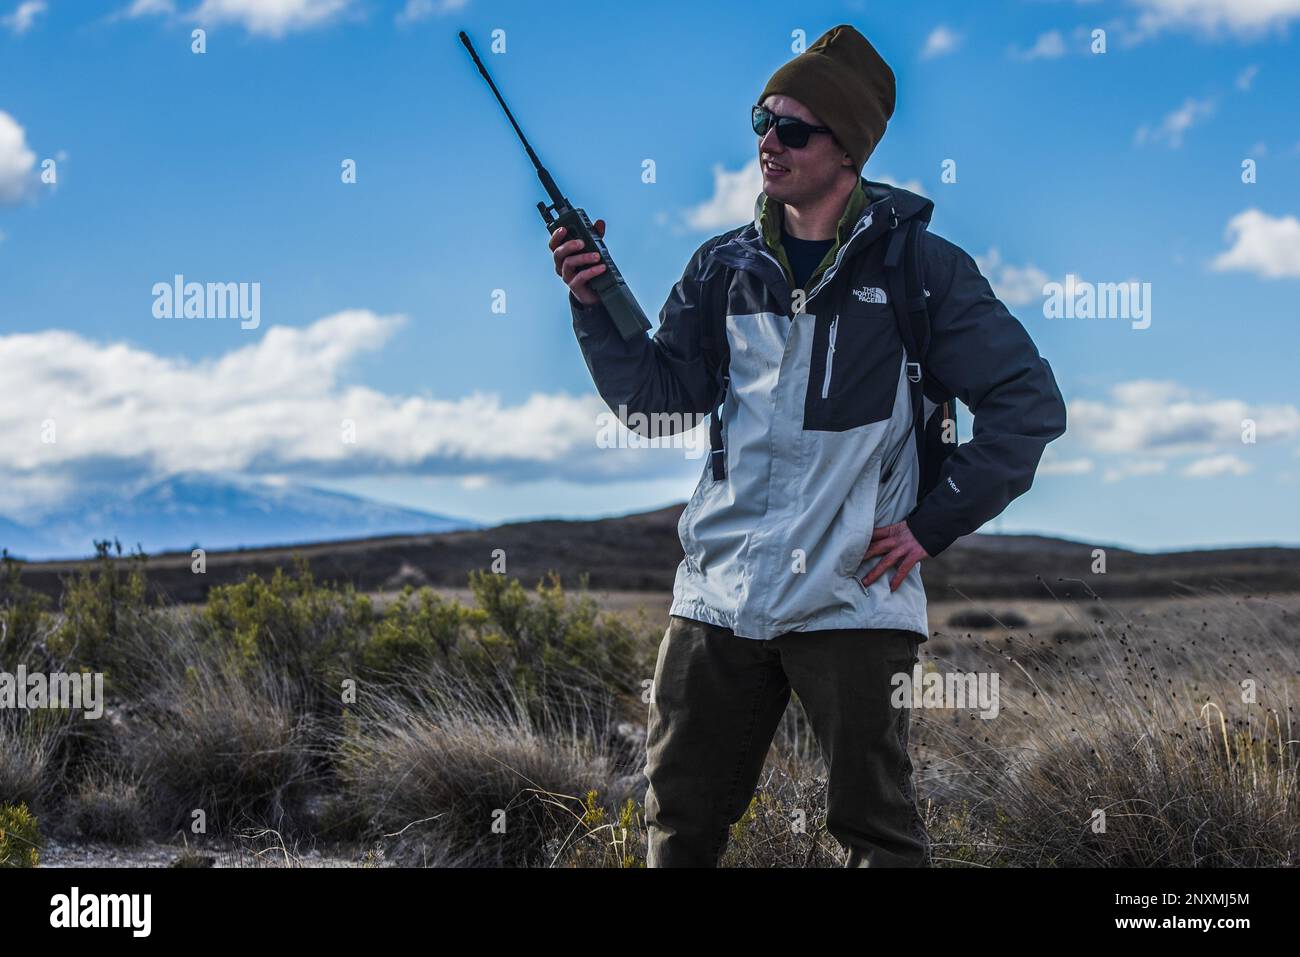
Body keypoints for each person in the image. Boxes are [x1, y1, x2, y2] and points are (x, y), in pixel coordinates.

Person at [550, 23, 1066, 867]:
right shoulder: (724, 268)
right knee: (679, 824)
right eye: (762, 119)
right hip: (718, 596)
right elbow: (656, 403)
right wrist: (591, 303)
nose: (768, 142)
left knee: (876, 836)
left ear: (848, 150)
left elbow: (1028, 406)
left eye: (794, 128)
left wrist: (931, 527)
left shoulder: (920, 271)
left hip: (853, 598)